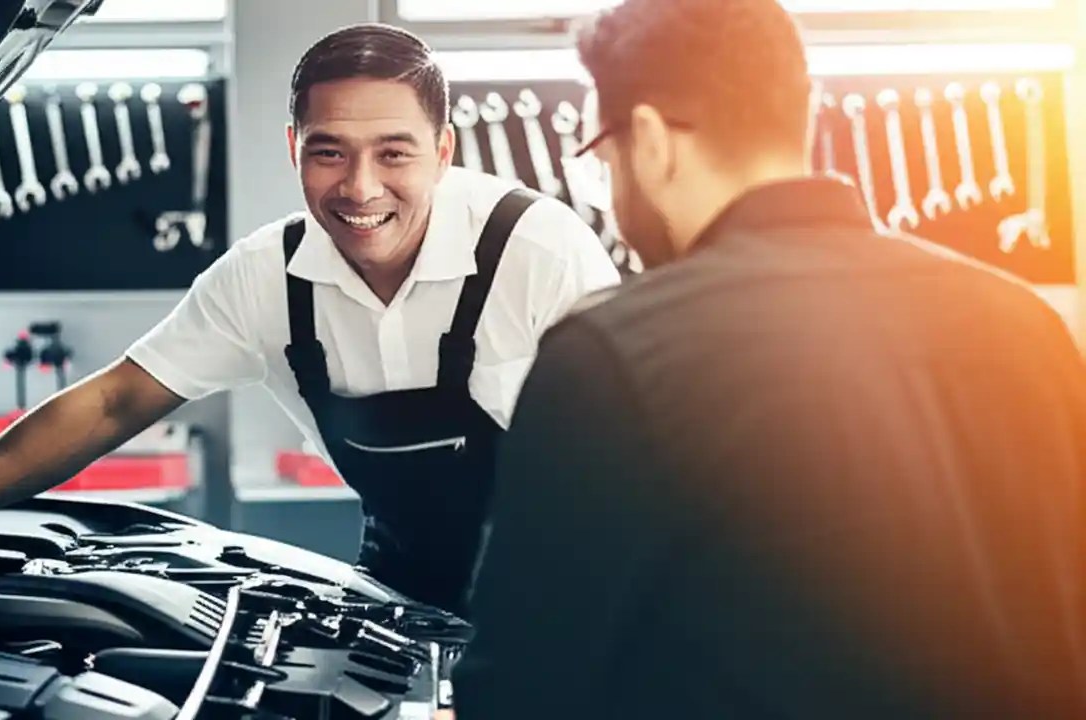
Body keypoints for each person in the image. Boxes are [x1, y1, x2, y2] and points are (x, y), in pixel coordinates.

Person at [0, 23, 620, 620]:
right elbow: (116, 400)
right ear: (293, 147)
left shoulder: (537, 252)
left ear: (443, 151)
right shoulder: (266, 278)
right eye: (329, 152)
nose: (360, 187)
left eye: (394, 153)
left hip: (574, 597)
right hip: (402, 598)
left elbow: (639, 453)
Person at [452, 0, 1086, 718]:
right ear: (801, 112)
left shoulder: (610, 361)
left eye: (604, 158)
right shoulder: (1028, 327)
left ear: (652, 142)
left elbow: (519, 692)